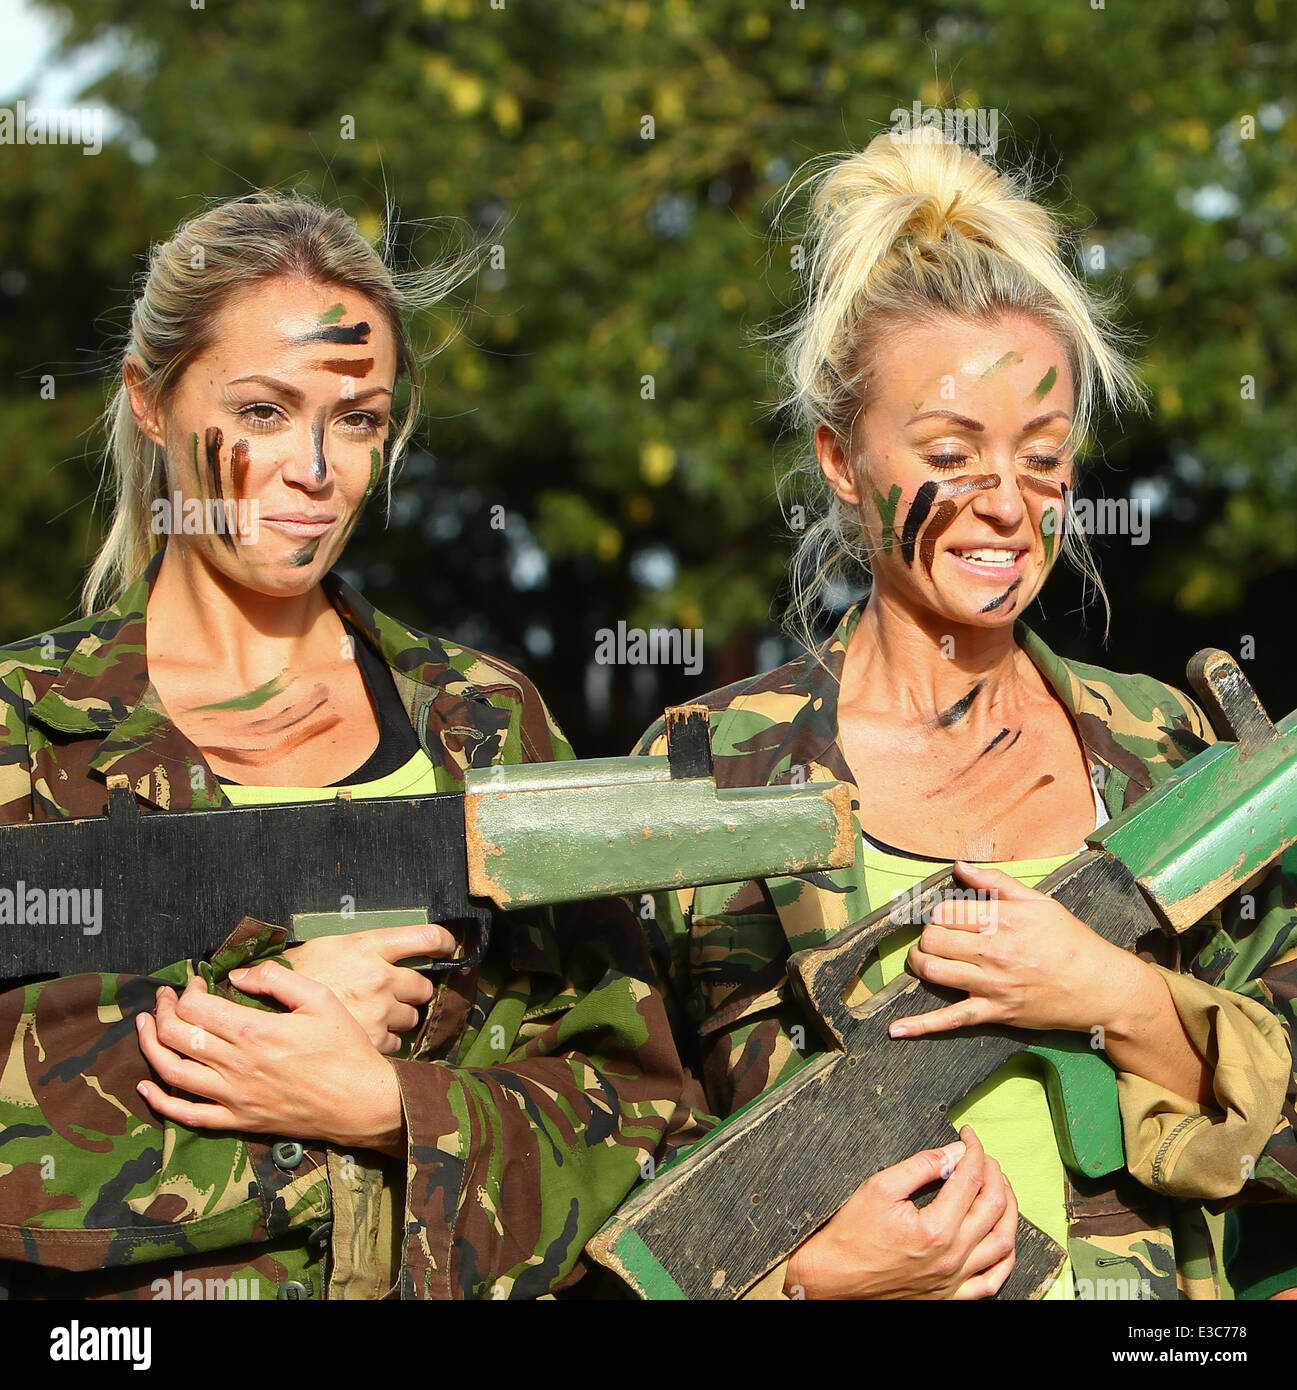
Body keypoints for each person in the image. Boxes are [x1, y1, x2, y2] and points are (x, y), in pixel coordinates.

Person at [631, 130, 1297, 1300]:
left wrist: (1118, 998)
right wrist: (813, 1281)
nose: (1005, 504)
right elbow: (600, 1158)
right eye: (950, 451)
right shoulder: (703, 774)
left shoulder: (1169, 758)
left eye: (1044, 458)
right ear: (842, 459)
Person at [0, 192, 684, 1300]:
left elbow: (643, 1119)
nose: (317, 469)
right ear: (151, 400)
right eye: (264, 411)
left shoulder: (485, 725)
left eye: (358, 418)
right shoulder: (22, 730)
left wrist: (383, 1107)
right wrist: (271, 1005)